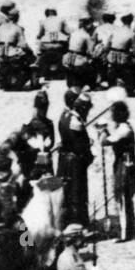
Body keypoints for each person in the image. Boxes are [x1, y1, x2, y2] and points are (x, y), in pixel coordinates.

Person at [103, 100, 135, 241]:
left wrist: (104, 130)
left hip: (125, 165)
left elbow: (108, 140)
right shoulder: (123, 127)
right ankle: (129, 228)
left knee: (123, 198)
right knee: (125, 199)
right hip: (123, 163)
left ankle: (125, 232)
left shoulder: (124, 129)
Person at [58, 91, 93, 226]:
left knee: (68, 193)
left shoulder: (64, 116)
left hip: (64, 161)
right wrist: (89, 151)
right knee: (77, 194)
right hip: (75, 163)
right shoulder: (76, 123)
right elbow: (80, 147)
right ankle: (78, 224)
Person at [35, 7, 71, 80]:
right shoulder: (61, 20)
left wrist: (39, 36)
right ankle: (67, 65)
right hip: (59, 45)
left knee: (39, 52)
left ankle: (37, 63)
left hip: (46, 45)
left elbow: (40, 34)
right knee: (68, 51)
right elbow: (68, 32)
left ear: (46, 13)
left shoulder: (43, 21)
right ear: (55, 12)